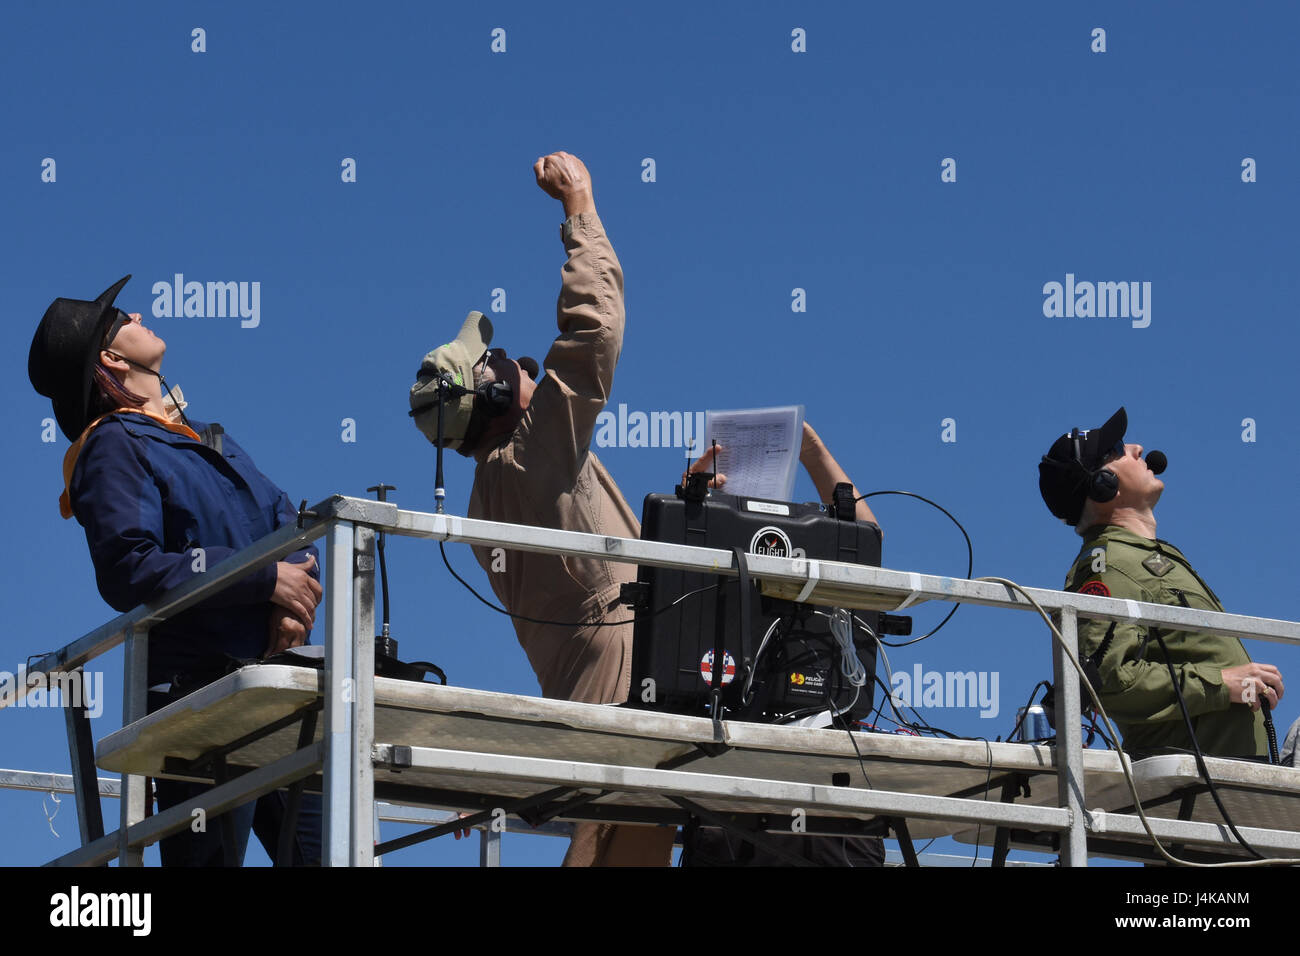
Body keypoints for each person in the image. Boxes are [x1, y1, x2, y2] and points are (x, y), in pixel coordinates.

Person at [410, 151, 676, 866]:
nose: (525, 366)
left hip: (595, 686)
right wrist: (579, 208)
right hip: (622, 681)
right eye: (511, 369)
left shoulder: (491, 491)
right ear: (496, 397)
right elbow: (593, 333)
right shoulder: (534, 455)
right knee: (615, 843)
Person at [28, 275, 323, 865]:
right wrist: (267, 582)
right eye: (121, 318)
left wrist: (295, 601)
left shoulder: (208, 438)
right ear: (111, 357)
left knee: (329, 855)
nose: (138, 312)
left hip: (277, 688)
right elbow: (129, 568)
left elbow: (286, 518)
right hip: (199, 701)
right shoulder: (113, 444)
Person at [682, 422, 887, 867]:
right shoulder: (702, 542)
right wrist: (689, 505)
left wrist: (812, 452)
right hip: (726, 779)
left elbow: (868, 546)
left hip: (826, 792)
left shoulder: (833, 552)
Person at [1038, 406, 1283, 759]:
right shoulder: (1107, 567)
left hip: (1235, 775)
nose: (1136, 448)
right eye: (1117, 449)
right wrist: (1220, 683)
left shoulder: (1145, 559)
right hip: (1198, 789)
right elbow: (1104, 680)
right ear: (1101, 486)